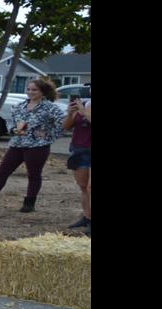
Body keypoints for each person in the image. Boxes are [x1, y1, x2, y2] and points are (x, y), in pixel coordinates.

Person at [0, 77, 66, 212]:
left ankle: (29, 203)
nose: (31, 92)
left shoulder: (50, 108)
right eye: (29, 89)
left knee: (33, 174)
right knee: (3, 171)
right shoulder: (19, 106)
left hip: (37, 146)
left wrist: (49, 135)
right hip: (17, 144)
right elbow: (11, 121)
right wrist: (13, 130)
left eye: (34, 90)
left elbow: (63, 124)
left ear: (43, 92)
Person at [63, 91, 90, 234]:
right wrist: (70, 113)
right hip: (80, 150)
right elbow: (66, 127)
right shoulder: (83, 105)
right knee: (83, 187)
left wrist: (84, 112)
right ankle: (87, 217)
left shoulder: (83, 108)